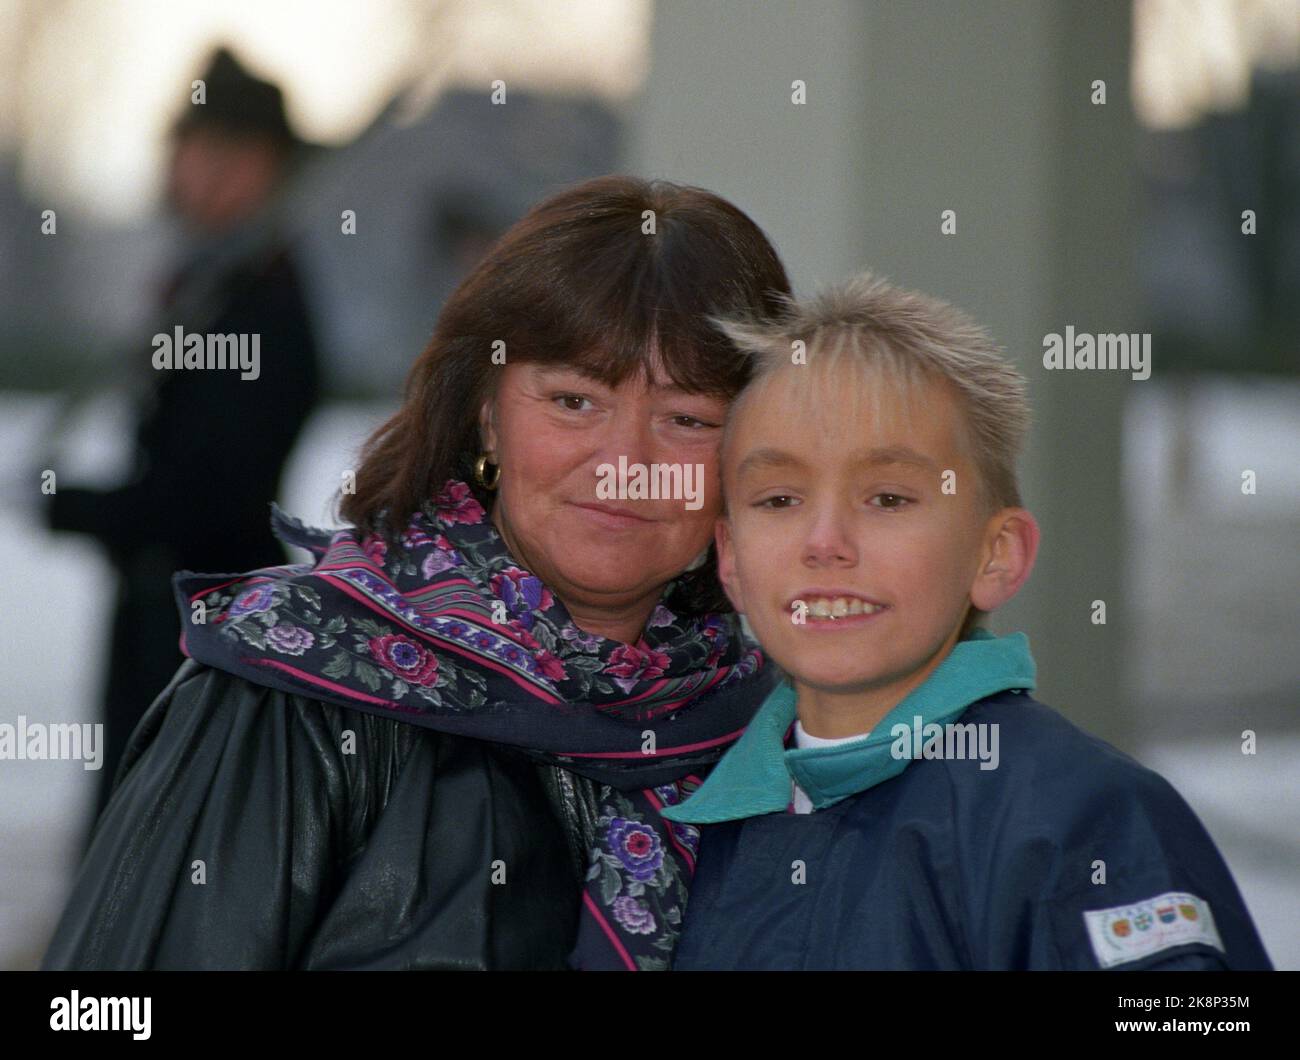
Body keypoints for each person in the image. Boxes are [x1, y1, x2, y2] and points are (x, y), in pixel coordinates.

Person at [40, 174, 793, 970]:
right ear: (487, 413)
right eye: (573, 401)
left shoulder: (775, 736)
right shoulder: (289, 696)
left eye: (688, 420)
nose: (624, 464)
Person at [662, 272, 1274, 970]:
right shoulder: (693, 828)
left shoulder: (1081, 818)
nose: (824, 540)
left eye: (888, 498)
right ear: (731, 559)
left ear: (995, 555)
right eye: (778, 499)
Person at [43, 46, 321, 823]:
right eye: (191, 149)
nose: (195, 172)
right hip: (164, 613)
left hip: (209, 624)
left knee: (166, 859)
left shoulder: (261, 305)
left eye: (223, 154)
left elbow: (217, 500)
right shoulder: (210, 286)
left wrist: (87, 511)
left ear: (266, 168)